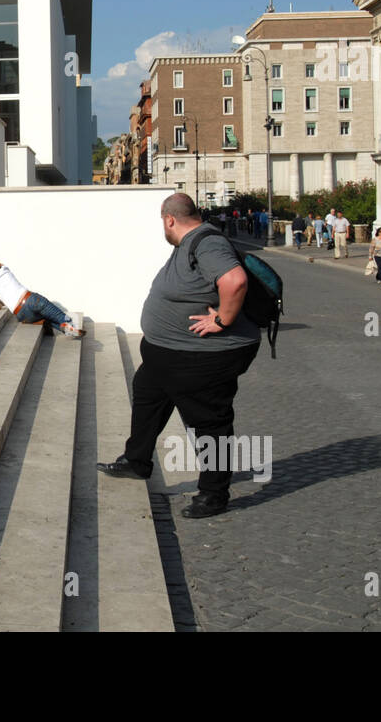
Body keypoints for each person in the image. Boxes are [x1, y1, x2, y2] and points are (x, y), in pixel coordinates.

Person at [97, 192, 261, 519]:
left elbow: (235, 280)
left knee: (209, 422)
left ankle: (214, 494)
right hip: (166, 357)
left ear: (169, 219)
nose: (164, 228)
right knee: (147, 395)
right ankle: (137, 460)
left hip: (201, 357)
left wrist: (221, 320)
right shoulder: (191, 244)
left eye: (163, 223)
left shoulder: (206, 243)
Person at [0, 256, 82, 338]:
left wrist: (3, 301)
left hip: (20, 313)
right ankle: (69, 325)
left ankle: (59, 326)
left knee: (45, 319)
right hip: (30, 299)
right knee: (57, 315)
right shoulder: (3, 269)